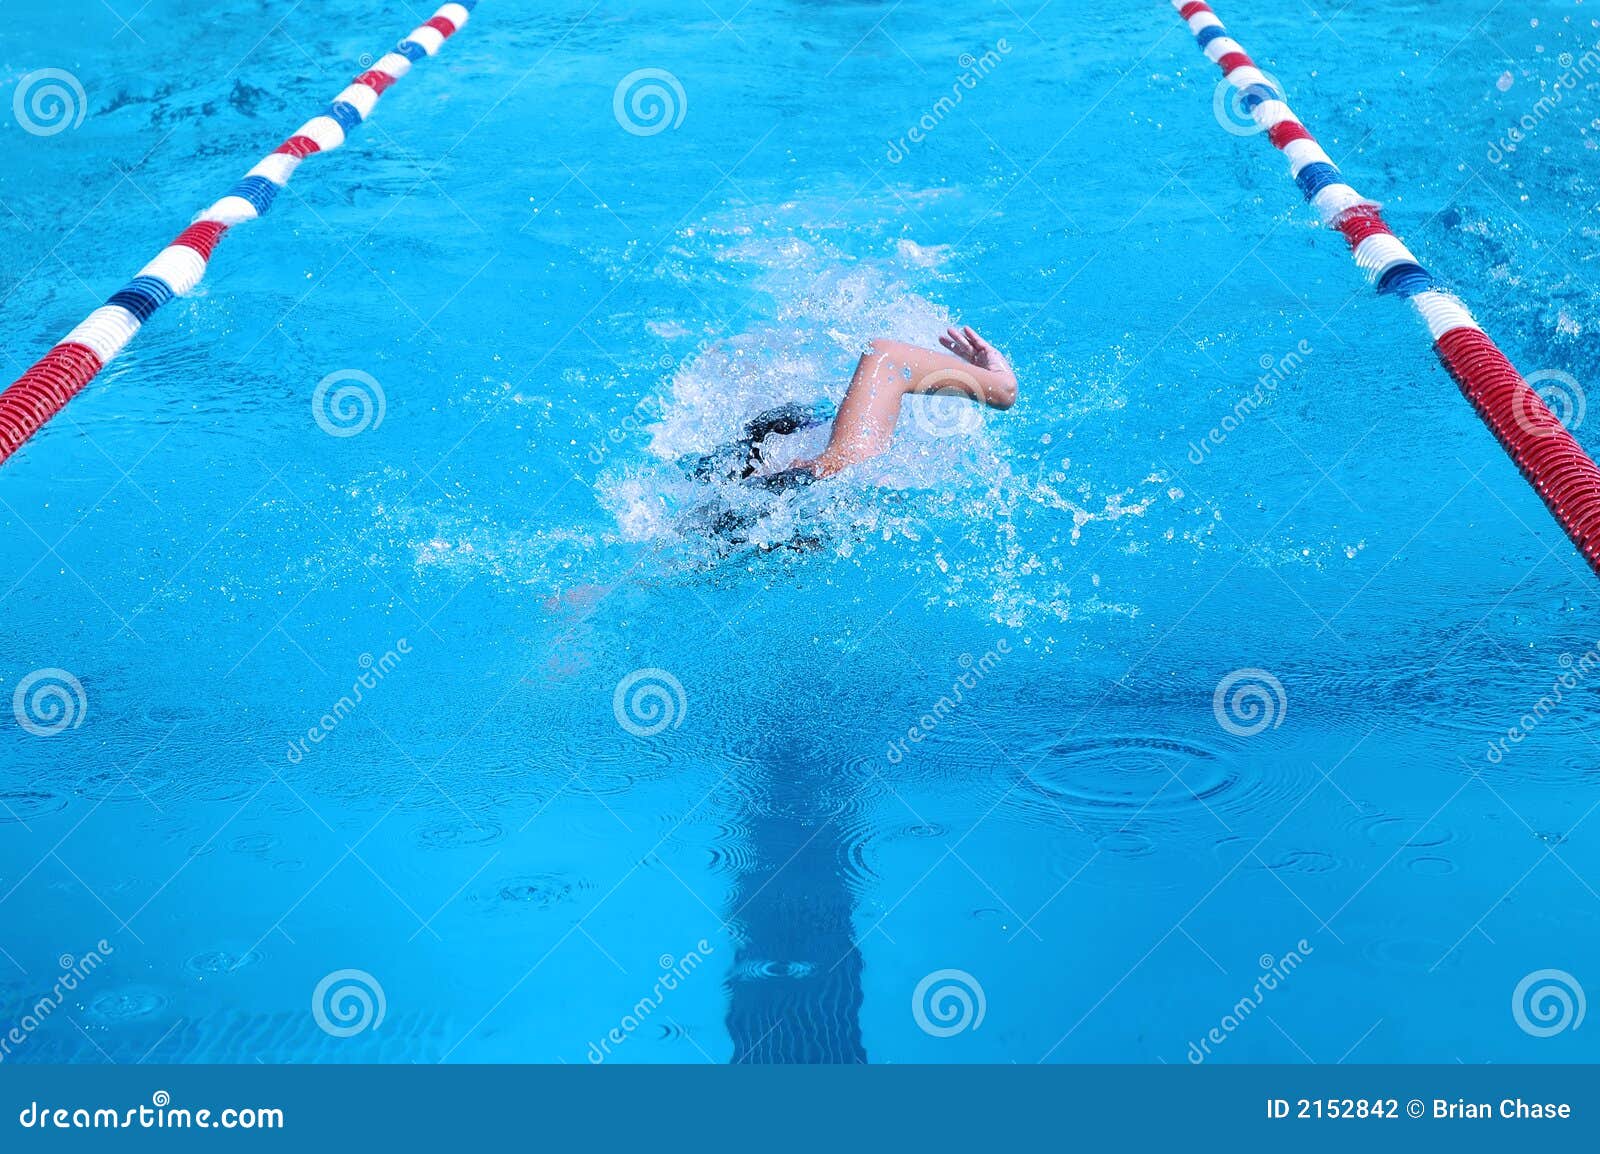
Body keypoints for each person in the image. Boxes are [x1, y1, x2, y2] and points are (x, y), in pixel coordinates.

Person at [792, 326, 1017, 478]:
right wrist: (999, 382)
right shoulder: (837, 473)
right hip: (833, 492)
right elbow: (890, 361)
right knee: (846, 465)